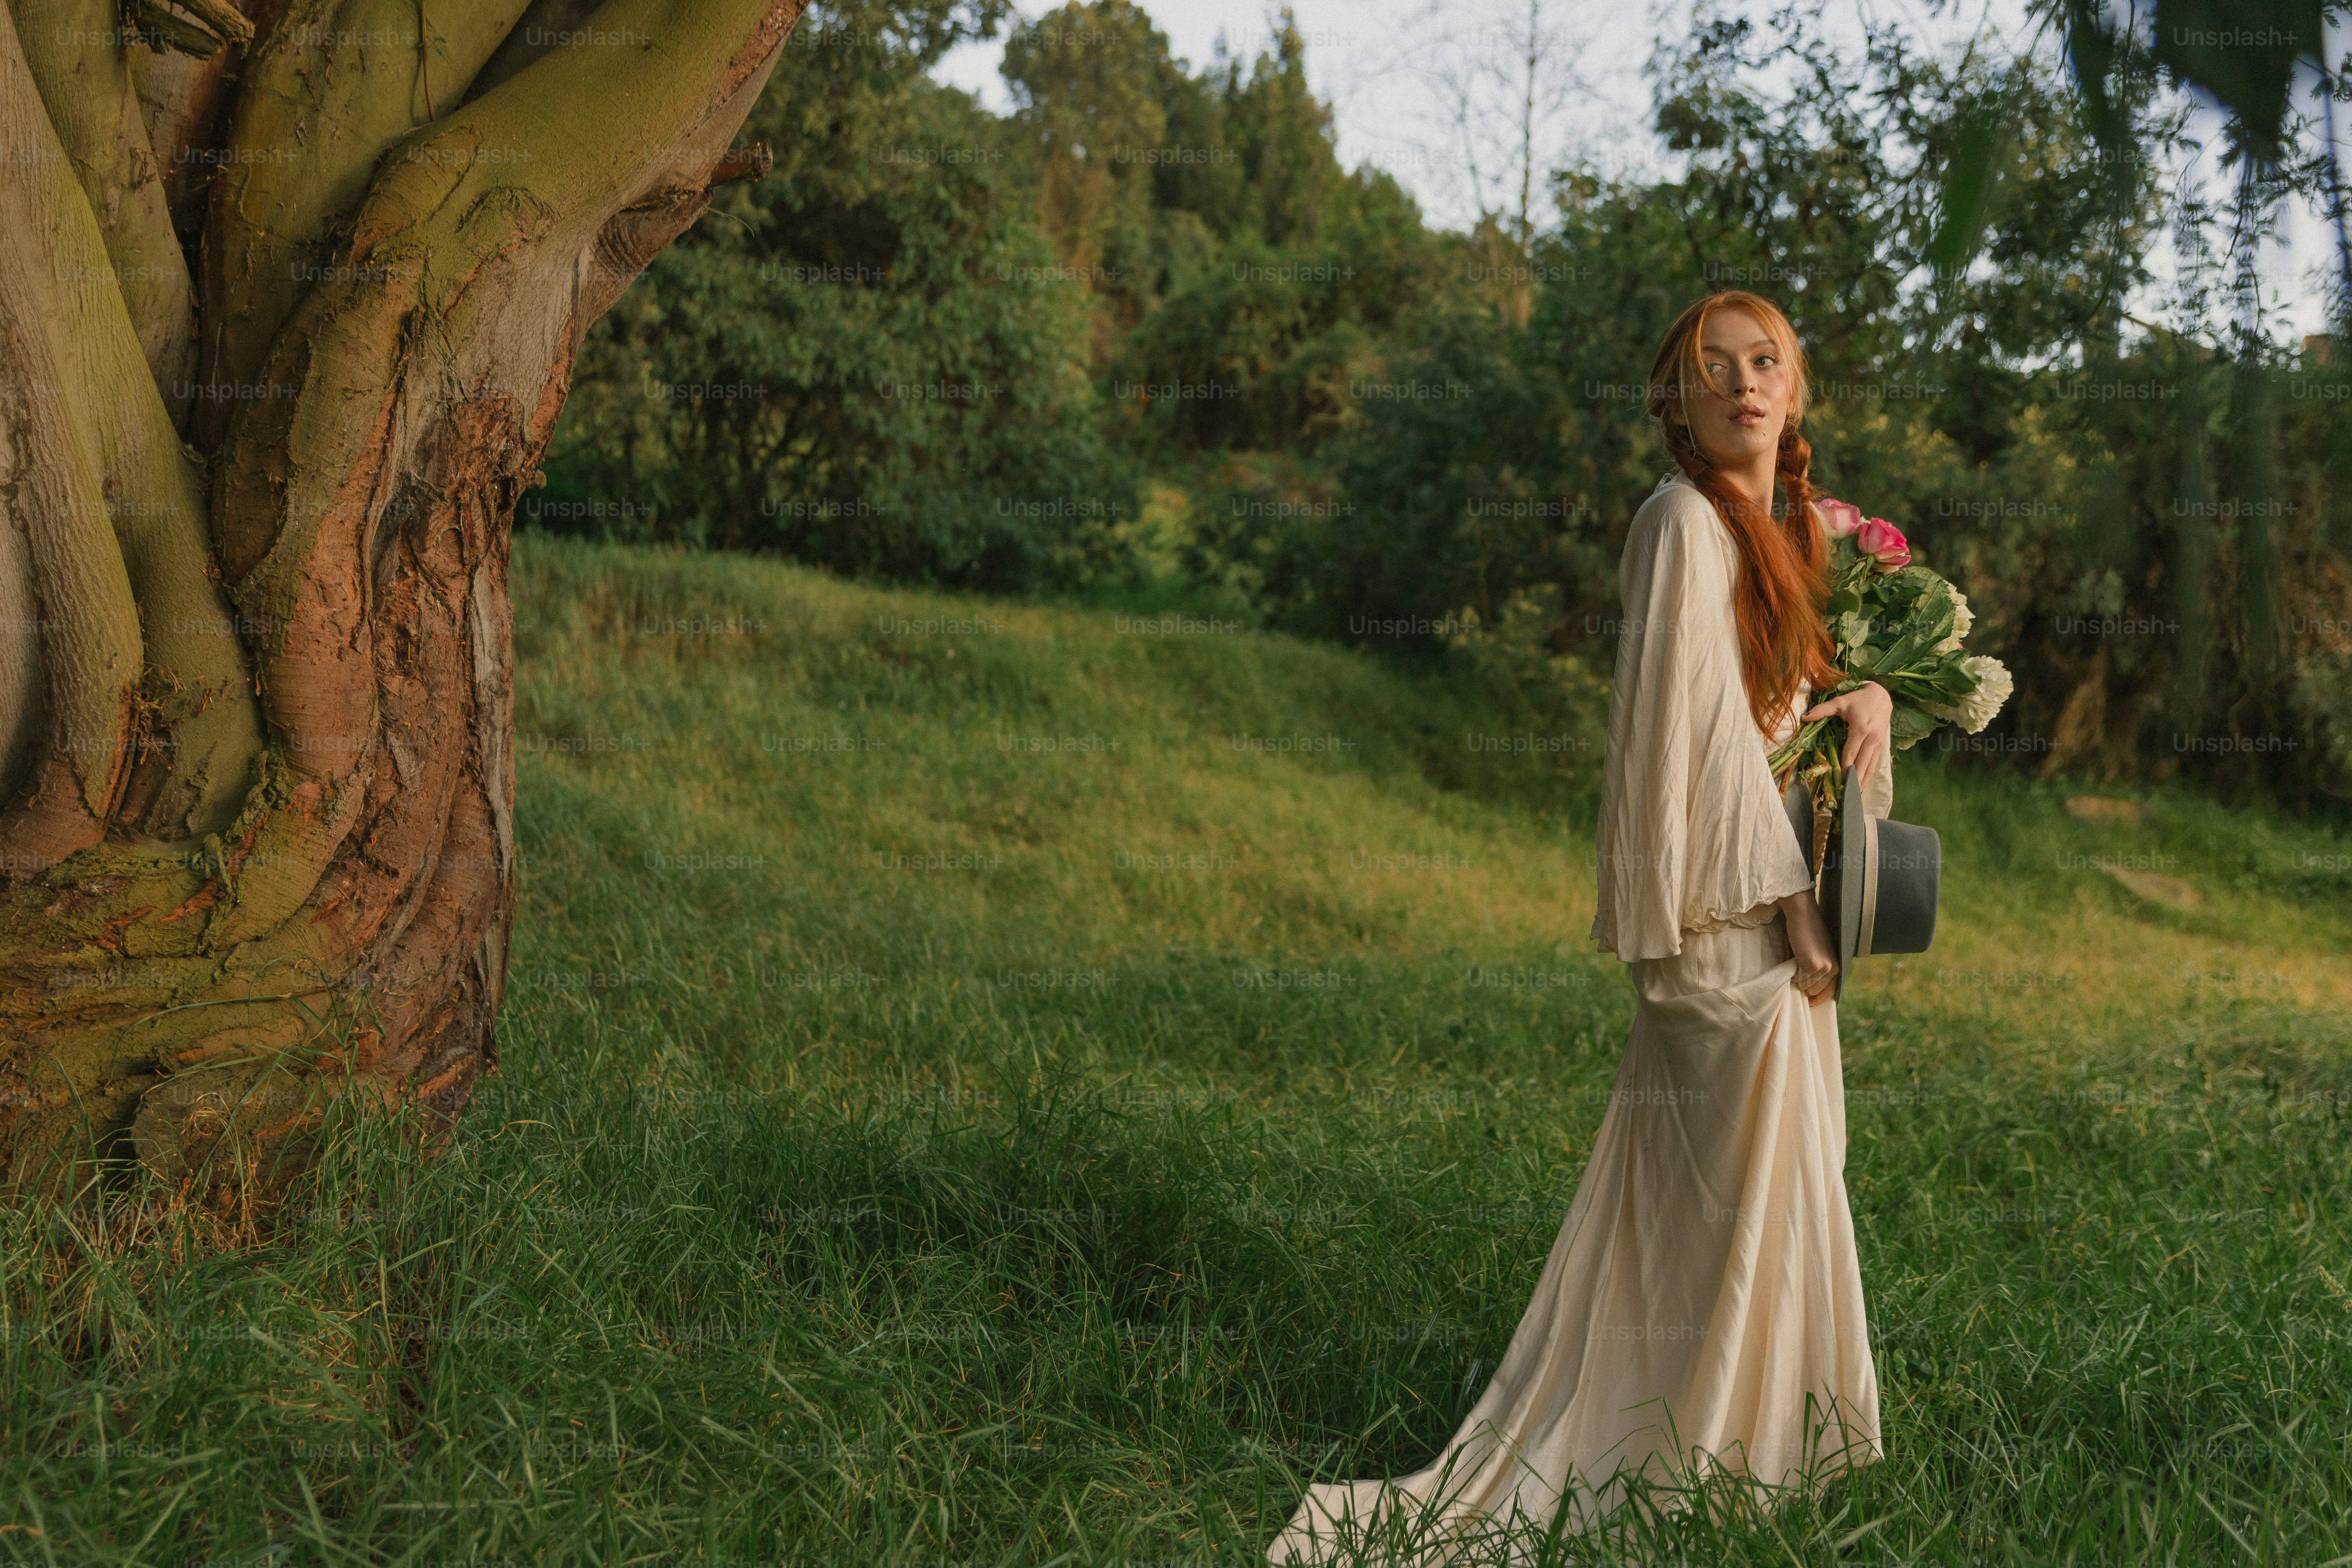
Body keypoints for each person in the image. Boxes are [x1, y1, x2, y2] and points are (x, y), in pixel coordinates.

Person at [1267, 290, 1893, 1563]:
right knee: (1711, 1210)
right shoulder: (1681, 521)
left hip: (1772, 897)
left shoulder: (1782, 533)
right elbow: (1696, 734)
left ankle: (1744, 1450)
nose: (1740, 383)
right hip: (1727, 917)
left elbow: (1781, 710)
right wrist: (1789, 906)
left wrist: (1872, 693)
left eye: (1763, 360)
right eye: (1710, 368)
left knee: (1767, 1196)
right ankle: (1669, 1457)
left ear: (1798, 384)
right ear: (1679, 402)